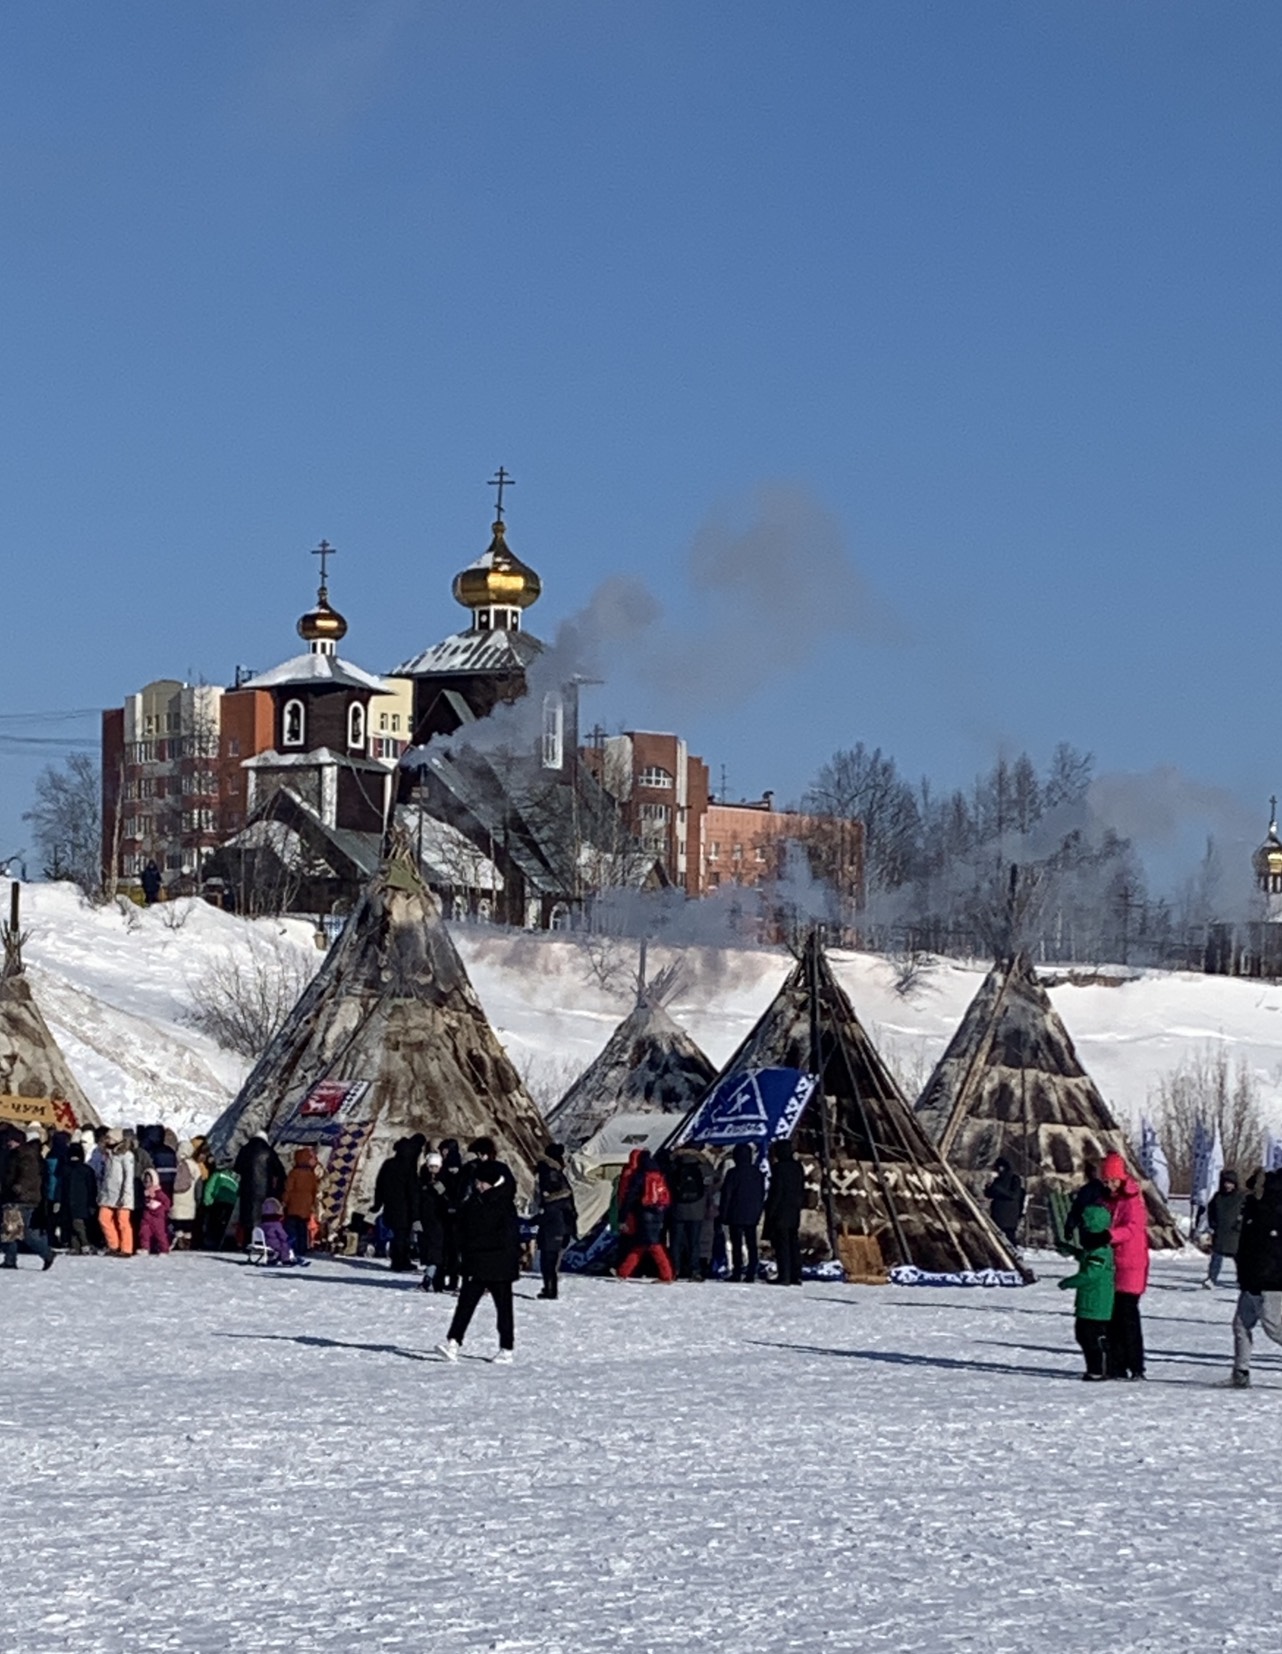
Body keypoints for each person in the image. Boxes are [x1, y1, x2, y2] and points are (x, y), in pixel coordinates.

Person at [437, 1137, 521, 1363]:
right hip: (476, 1262)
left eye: (482, 1183)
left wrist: (475, 1244)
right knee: (465, 1304)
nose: (478, 1186)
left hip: (498, 1264)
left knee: (503, 1308)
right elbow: (462, 1228)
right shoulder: (475, 1203)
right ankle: (453, 1342)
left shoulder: (504, 1207)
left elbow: (508, 1237)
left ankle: (506, 1348)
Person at [1229, 1167, 1282, 1389]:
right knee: (1241, 1324)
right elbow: (1246, 1246)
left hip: (1269, 1281)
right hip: (1250, 1280)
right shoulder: (1253, 1209)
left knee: (1275, 1329)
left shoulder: (1270, 1210)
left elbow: (1268, 1249)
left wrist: (1262, 1276)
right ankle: (1241, 1370)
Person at [1100, 1150, 1149, 1380]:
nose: (1109, 1184)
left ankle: (1136, 1366)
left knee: (1128, 1317)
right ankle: (1115, 1364)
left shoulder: (1132, 1201)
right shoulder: (1109, 1200)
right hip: (1113, 1266)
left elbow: (1131, 1229)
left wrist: (1108, 1235)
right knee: (1112, 1319)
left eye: (1112, 1180)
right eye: (1106, 1180)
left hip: (1131, 1266)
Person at [1056, 1200, 1115, 1379]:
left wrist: (1068, 1282)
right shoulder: (1096, 1247)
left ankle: (1097, 1370)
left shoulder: (1100, 1251)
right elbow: (1086, 1257)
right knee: (1085, 1335)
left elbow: (1090, 1274)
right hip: (1092, 1303)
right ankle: (1099, 1367)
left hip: (1095, 1303)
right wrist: (1072, 1250)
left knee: (1089, 1337)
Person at [0, 1124, 54, 1271]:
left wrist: (19, 1187)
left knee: (21, 1231)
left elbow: (29, 1177)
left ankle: (47, 1253)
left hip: (23, 1198)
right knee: (10, 1229)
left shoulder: (25, 1154)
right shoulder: (14, 1154)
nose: (8, 1143)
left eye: (10, 1140)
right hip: (14, 1197)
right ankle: (10, 1260)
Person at [616, 1150, 674, 1282]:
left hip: (644, 1213)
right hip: (658, 1213)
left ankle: (667, 1275)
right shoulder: (658, 1174)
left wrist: (623, 1215)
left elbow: (630, 1197)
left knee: (653, 1245)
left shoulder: (640, 1175)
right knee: (642, 1243)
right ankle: (623, 1271)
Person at [373, 1136, 424, 1272]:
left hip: (390, 1205)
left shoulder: (388, 1164)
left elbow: (380, 1185)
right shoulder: (409, 1167)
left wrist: (378, 1203)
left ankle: (398, 1260)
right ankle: (400, 1261)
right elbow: (412, 1191)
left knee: (397, 1234)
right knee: (403, 1236)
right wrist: (415, 1213)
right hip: (405, 1207)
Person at [534, 1142, 577, 1300]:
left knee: (549, 1256)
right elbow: (555, 1197)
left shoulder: (546, 1171)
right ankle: (550, 1288)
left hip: (552, 1219)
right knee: (551, 1255)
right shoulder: (552, 1172)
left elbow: (547, 1198)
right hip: (558, 1219)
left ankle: (550, 1288)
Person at [720, 1143, 766, 1282]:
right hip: (752, 1213)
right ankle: (752, 1271)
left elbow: (726, 1194)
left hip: (735, 1213)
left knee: (736, 1244)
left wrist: (723, 1213)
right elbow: (761, 1193)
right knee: (752, 1244)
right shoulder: (757, 1173)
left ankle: (737, 1271)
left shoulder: (733, 1173)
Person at [764, 1138, 805, 1286]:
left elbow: (777, 1192)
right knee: (793, 1243)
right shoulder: (797, 1167)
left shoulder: (779, 1168)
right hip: (794, 1210)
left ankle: (784, 1276)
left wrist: (771, 1211)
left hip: (780, 1211)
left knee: (782, 1245)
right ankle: (796, 1275)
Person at [667, 1145, 710, 1280]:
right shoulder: (702, 1166)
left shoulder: (674, 1165)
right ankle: (694, 1270)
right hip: (697, 1209)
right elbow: (712, 1179)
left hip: (678, 1208)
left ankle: (674, 1269)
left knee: (675, 1241)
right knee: (694, 1241)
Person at [233, 1132, 286, 1244]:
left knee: (248, 1217)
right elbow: (280, 1171)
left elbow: (237, 1168)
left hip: (247, 1189)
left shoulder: (244, 1150)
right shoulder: (269, 1151)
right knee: (263, 1217)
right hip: (265, 1190)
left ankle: (247, 1242)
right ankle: (261, 1242)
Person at [1203, 1168, 1245, 1289]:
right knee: (1216, 1258)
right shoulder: (1218, 1197)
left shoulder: (1241, 1197)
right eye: (1226, 1182)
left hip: (1236, 1233)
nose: (1228, 1185)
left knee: (1240, 1259)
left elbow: (1247, 1212)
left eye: (1230, 1183)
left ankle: (1242, 1279)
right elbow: (1211, 1211)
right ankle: (1212, 1278)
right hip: (1221, 1231)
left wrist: (1240, 1224)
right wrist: (1213, 1224)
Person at [98, 1131, 137, 1257]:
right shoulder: (108, 1154)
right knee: (103, 1218)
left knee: (123, 1221)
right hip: (108, 1193)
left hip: (122, 1194)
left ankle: (126, 1248)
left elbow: (128, 1177)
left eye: (110, 1138)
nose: (107, 1140)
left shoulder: (126, 1155)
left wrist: (125, 1195)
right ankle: (113, 1245)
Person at [417, 1150, 448, 1291]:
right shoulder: (421, 1180)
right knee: (428, 1250)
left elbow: (451, 1200)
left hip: (441, 1220)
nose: (433, 1170)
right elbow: (415, 1201)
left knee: (436, 1251)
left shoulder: (445, 1179)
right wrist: (415, 1219)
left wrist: (443, 1193)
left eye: (436, 1167)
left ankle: (431, 1279)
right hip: (426, 1220)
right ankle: (433, 1278)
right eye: (431, 1167)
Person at [282, 1147, 320, 1259]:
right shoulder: (311, 1174)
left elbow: (288, 1189)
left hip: (293, 1205)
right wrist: (311, 1203)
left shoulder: (294, 1173)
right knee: (303, 1228)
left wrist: (284, 1201)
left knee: (291, 1227)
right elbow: (314, 1190)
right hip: (306, 1206)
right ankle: (302, 1248)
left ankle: (291, 1247)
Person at [62, 1141, 98, 1255]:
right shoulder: (86, 1170)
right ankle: (75, 1245)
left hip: (76, 1201)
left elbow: (92, 1188)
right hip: (79, 1201)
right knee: (74, 1224)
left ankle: (85, 1244)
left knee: (77, 1224)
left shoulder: (66, 1169)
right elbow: (92, 1188)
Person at [1063, 1160, 1108, 1246]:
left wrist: (1069, 1227)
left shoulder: (1086, 1191)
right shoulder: (1107, 1192)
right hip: (1105, 1232)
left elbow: (1077, 1209)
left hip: (1088, 1230)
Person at [985, 1156, 1025, 1248]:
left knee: (1009, 1236)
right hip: (997, 1213)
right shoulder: (997, 1180)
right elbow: (990, 1194)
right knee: (997, 1237)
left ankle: (1013, 1254)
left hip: (1009, 1215)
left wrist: (997, 1189)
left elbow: (1014, 1195)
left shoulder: (1014, 1179)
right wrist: (989, 1187)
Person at [169, 1140, 203, 1249]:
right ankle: (186, 1242)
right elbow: (198, 1186)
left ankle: (177, 1239)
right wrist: (198, 1200)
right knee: (188, 1226)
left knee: (177, 1223)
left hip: (175, 1199)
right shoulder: (194, 1165)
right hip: (189, 1200)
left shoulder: (174, 1163)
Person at [201, 1164, 240, 1250]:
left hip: (218, 1201)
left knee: (215, 1223)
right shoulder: (236, 1177)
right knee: (225, 1224)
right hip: (231, 1203)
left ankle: (213, 1242)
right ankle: (222, 1242)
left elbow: (210, 1186)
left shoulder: (218, 1174)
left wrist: (207, 1200)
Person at [137, 1168, 172, 1256]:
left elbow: (167, 1203)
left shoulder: (159, 1193)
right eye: (145, 1182)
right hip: (147, 1217)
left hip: (157, 1218)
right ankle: (145, 1248)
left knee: (160, 1234)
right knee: (144, 1232)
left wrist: (159, 1207)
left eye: (149, 1181)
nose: (147, 1184)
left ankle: (164, 1249)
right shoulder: (145, 1193)